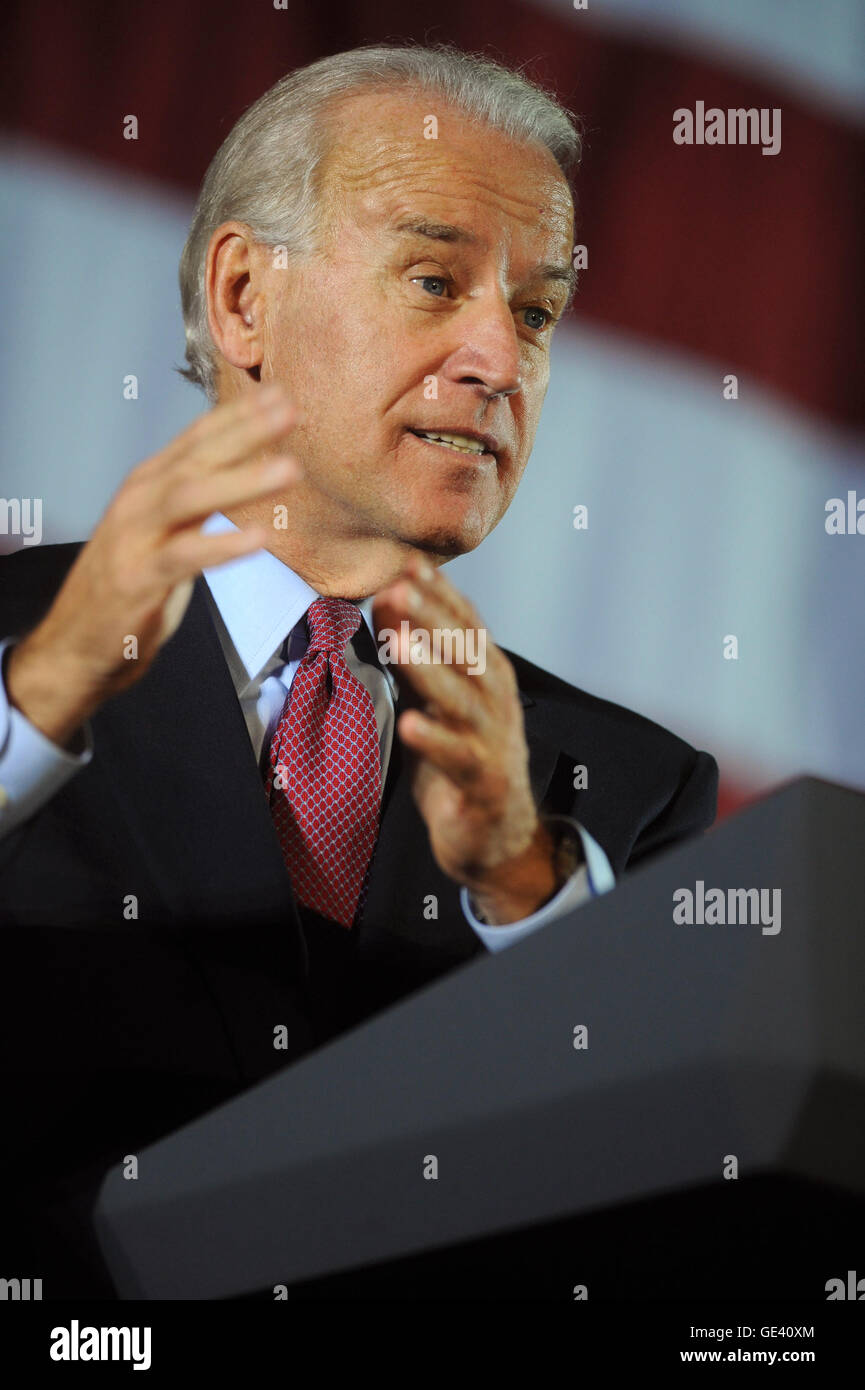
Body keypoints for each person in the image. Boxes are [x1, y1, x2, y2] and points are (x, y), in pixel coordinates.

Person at [0, 44, 718, 1296]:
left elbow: (674, 1213)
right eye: (435, 280)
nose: (501, 359)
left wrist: (521, 880)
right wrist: (38, 705)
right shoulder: (27, 651)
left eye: (536, 311)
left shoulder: (627, 792)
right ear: (241, 301)